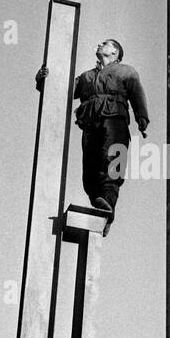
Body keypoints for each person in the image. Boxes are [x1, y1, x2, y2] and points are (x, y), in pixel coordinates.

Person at [35, 39, 149, 235]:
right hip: (91, 124)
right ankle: (101, 210)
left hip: (115, 121)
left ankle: (107, 206)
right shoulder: (87, 76)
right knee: (89, 170)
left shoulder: (127, 71)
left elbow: (137, 93)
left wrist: (142, 117)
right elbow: (62, 91)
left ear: (115, 52)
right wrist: (42, 79)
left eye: (105, 43)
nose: (99, 44)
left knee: (112, 164)